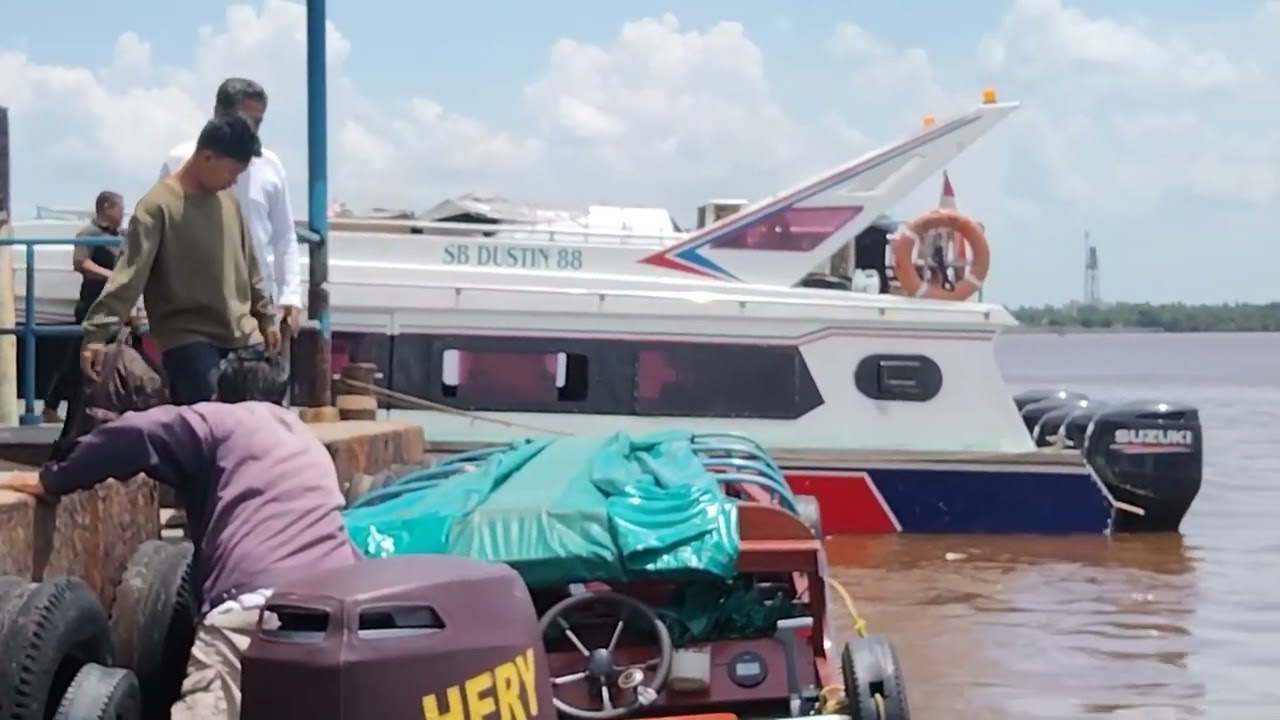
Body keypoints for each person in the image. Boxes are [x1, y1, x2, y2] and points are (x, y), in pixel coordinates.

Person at [0, 354, 360, 719]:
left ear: (219, 395)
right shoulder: (309, 443)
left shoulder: (222, 419)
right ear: (281, 398)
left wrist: (52, 479)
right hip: (335, 615)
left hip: (253, 605)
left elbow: (134, 434)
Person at [82, 112, 281, 404]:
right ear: (207, 157)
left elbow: (250, 264)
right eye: (232, 172)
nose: (233, 181)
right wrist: (97, 334)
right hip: (189, 338)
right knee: (208, 428)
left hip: (244, 336)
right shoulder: (156, 207)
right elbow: (129, 276)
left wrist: (267, 317)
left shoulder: (229, 201)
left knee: (263, 424)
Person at [160, 78, 302, 356]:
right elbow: (159, 231)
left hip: (257, 305)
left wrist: (290, 295)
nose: (252, 130)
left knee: (258, 391)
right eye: (246, 120)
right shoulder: (180, 160)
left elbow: (284, 235)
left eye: (258, 123)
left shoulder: (270, 166)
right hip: (196, 306)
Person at [41, 190, 125, 423]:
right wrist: (113, 276)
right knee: (77, 359)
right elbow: (81, 263)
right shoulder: (88, 233)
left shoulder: (120, 236)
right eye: (120, 207)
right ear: (107, 207)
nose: (122, 213)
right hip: (92, 305)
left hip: (113, 306)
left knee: (110, 358)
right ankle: (52, 406)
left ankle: (101, 409)